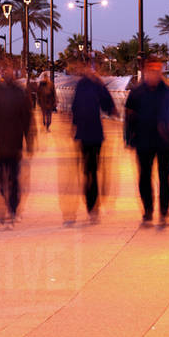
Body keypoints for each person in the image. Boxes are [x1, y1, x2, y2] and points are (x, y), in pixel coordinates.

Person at [124, 57, 169, 226]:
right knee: (145, 176)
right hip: (143, 140)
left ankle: (164, 211)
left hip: (166, 141)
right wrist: (128, 137)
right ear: (146, 71)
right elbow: (129, 116)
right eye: (151, 70)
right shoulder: (136, 92)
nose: (154, 73)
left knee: (165, 177)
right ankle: (148, 210)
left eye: (157, 70)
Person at [0, 60, 34, 227]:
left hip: (15, 143)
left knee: (14, 178)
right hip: (0, 143)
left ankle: (13, 209)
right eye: (4, 70)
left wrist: (30, 140)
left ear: (14, 72)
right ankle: (8, 203)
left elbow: (27, 118)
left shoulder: (21, 92)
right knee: (1, 181)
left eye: (9, 69)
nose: (7, 72)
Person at [70, 62, 115, 222]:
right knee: (91, 170)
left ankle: (91, 204)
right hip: (92, 133)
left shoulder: (86, 85)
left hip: (88, 133)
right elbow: (108, 104)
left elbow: (75, 107)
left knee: (89, 170)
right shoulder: (95, 84)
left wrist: (74, 125)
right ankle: (92, 204)